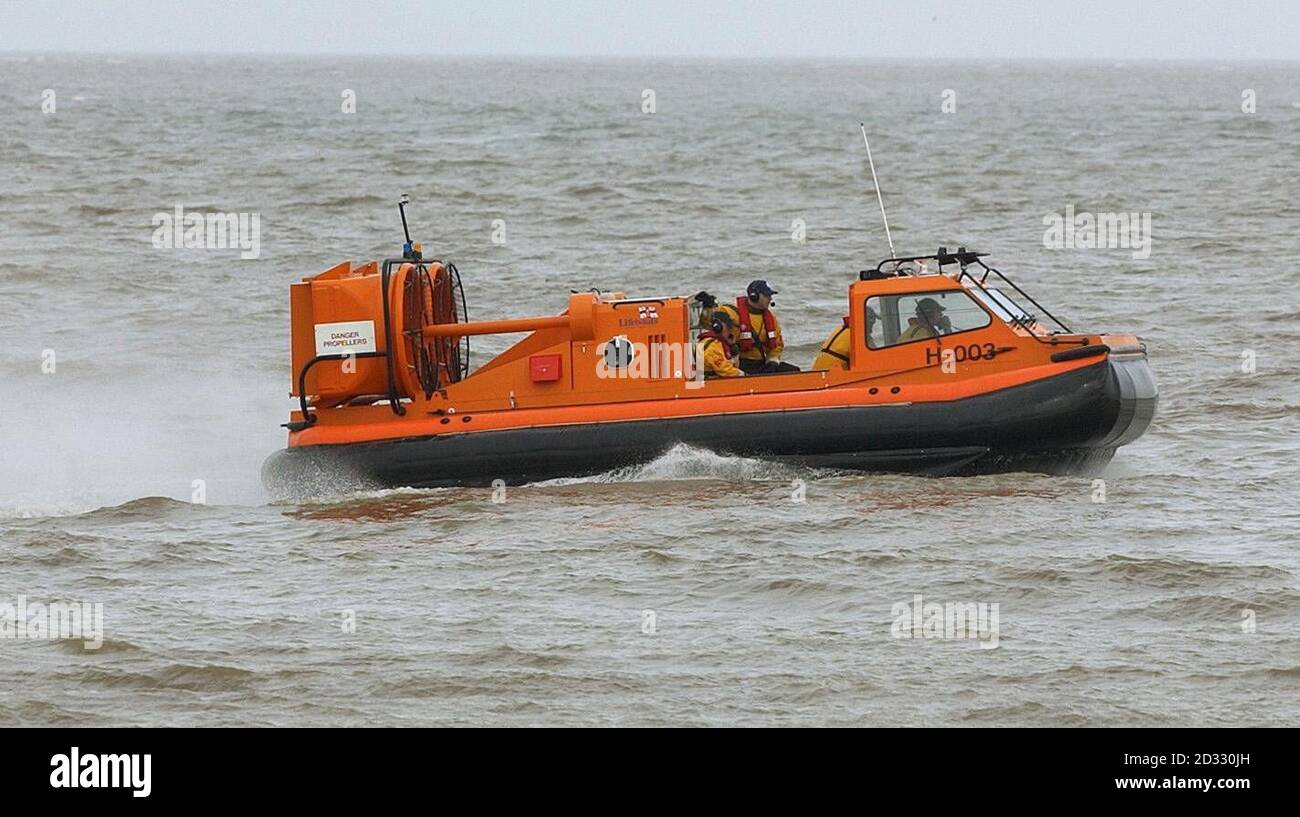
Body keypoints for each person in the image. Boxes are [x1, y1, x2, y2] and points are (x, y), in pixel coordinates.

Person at [736, 280, 800, 374]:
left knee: (794, 371)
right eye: (767, 296)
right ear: (754, 296)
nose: (770, 299)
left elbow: (777, 344)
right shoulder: (734, 315)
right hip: (740, 364)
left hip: (761, 363)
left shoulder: (771, 319)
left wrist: (772, 362)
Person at [812, 307, 877, 370]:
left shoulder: (840, 329)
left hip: (817, 370)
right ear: (866, 320)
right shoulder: (860, 335)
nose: (873, 324)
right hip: (834, 371)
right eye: (872, 321)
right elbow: (874, 357)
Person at [696, 309, 744, 378]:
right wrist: (745, 376)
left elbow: (734, 365)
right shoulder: (713, 347)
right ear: (718, 327)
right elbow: (726, 371)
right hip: (710, 385)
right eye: (729, 327)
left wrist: (733, 346)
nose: (731, 330)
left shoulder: (719, 343)